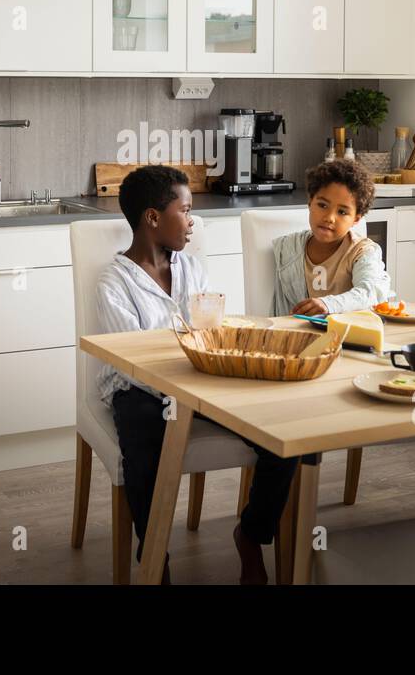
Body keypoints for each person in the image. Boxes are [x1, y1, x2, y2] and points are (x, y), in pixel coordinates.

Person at [94, 165, 297, 584]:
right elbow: (133, 361)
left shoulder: (192, 269)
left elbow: (208, 331)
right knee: (144, 441)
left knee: (281, 436)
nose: (192, 222)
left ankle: (252, 534)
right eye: (185, 211)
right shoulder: (113, 282)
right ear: (153, 218)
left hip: (202, 380)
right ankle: (153, 555)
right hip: (138, 389)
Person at [272, 159, 392, 316]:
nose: (329, 218)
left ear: (356, 218)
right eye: (322, 205)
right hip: (302, 334)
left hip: (350, 335)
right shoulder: (288, 248)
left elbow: (370, 292)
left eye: (342, 212)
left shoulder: (362, 252)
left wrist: (328, 304)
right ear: (310, 203)